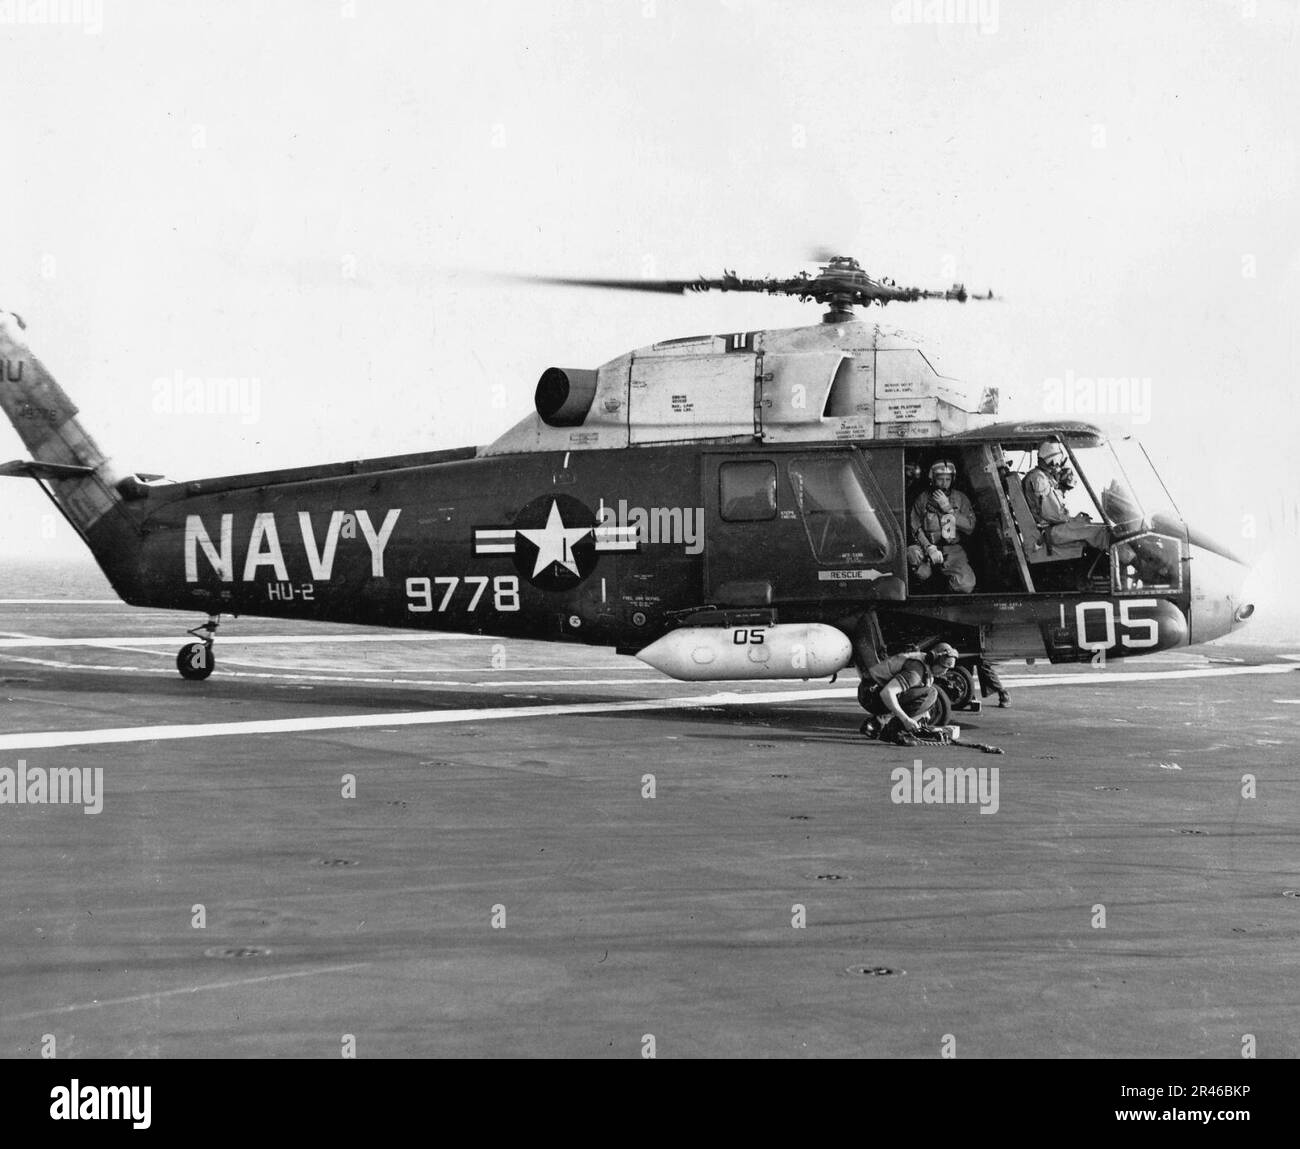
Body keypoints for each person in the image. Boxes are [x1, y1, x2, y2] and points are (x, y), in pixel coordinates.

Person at [860, 642, 959, 741]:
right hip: (870, 694)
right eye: (944, 667)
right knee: (931, 693)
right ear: (934, 660)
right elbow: (887, 692)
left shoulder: (925, 664)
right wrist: (906, 720)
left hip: (873, 691)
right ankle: (893, 729)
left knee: (929, 693)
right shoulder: (915, 671)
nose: (945, 672)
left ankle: (879, 723)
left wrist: (922, 719)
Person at [1022, 440, 1110, 551]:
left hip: (1053, 528)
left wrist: (1074, 520)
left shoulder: (1042, 476)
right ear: (1053, 460)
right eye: (1059, 462)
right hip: (1050, 532)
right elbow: (1052, 515)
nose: (1060, 466)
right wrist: (1072, 520)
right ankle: (1134, 560)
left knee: (1093, 526)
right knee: (1101, 532)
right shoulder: (1039, 479)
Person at [907, 460, 977, 593]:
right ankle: (923, 586)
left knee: (966, 585)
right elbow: (915, 527)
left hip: (953, 551)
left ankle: (947, 591)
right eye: (940, 479)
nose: (944, 483)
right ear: (932, 479)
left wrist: (950, 510)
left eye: (948, 479)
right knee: (912, 553)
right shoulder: (922, 499)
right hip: (927, 549)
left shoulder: (960, 498)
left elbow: (969, 527)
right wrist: (929, 548)